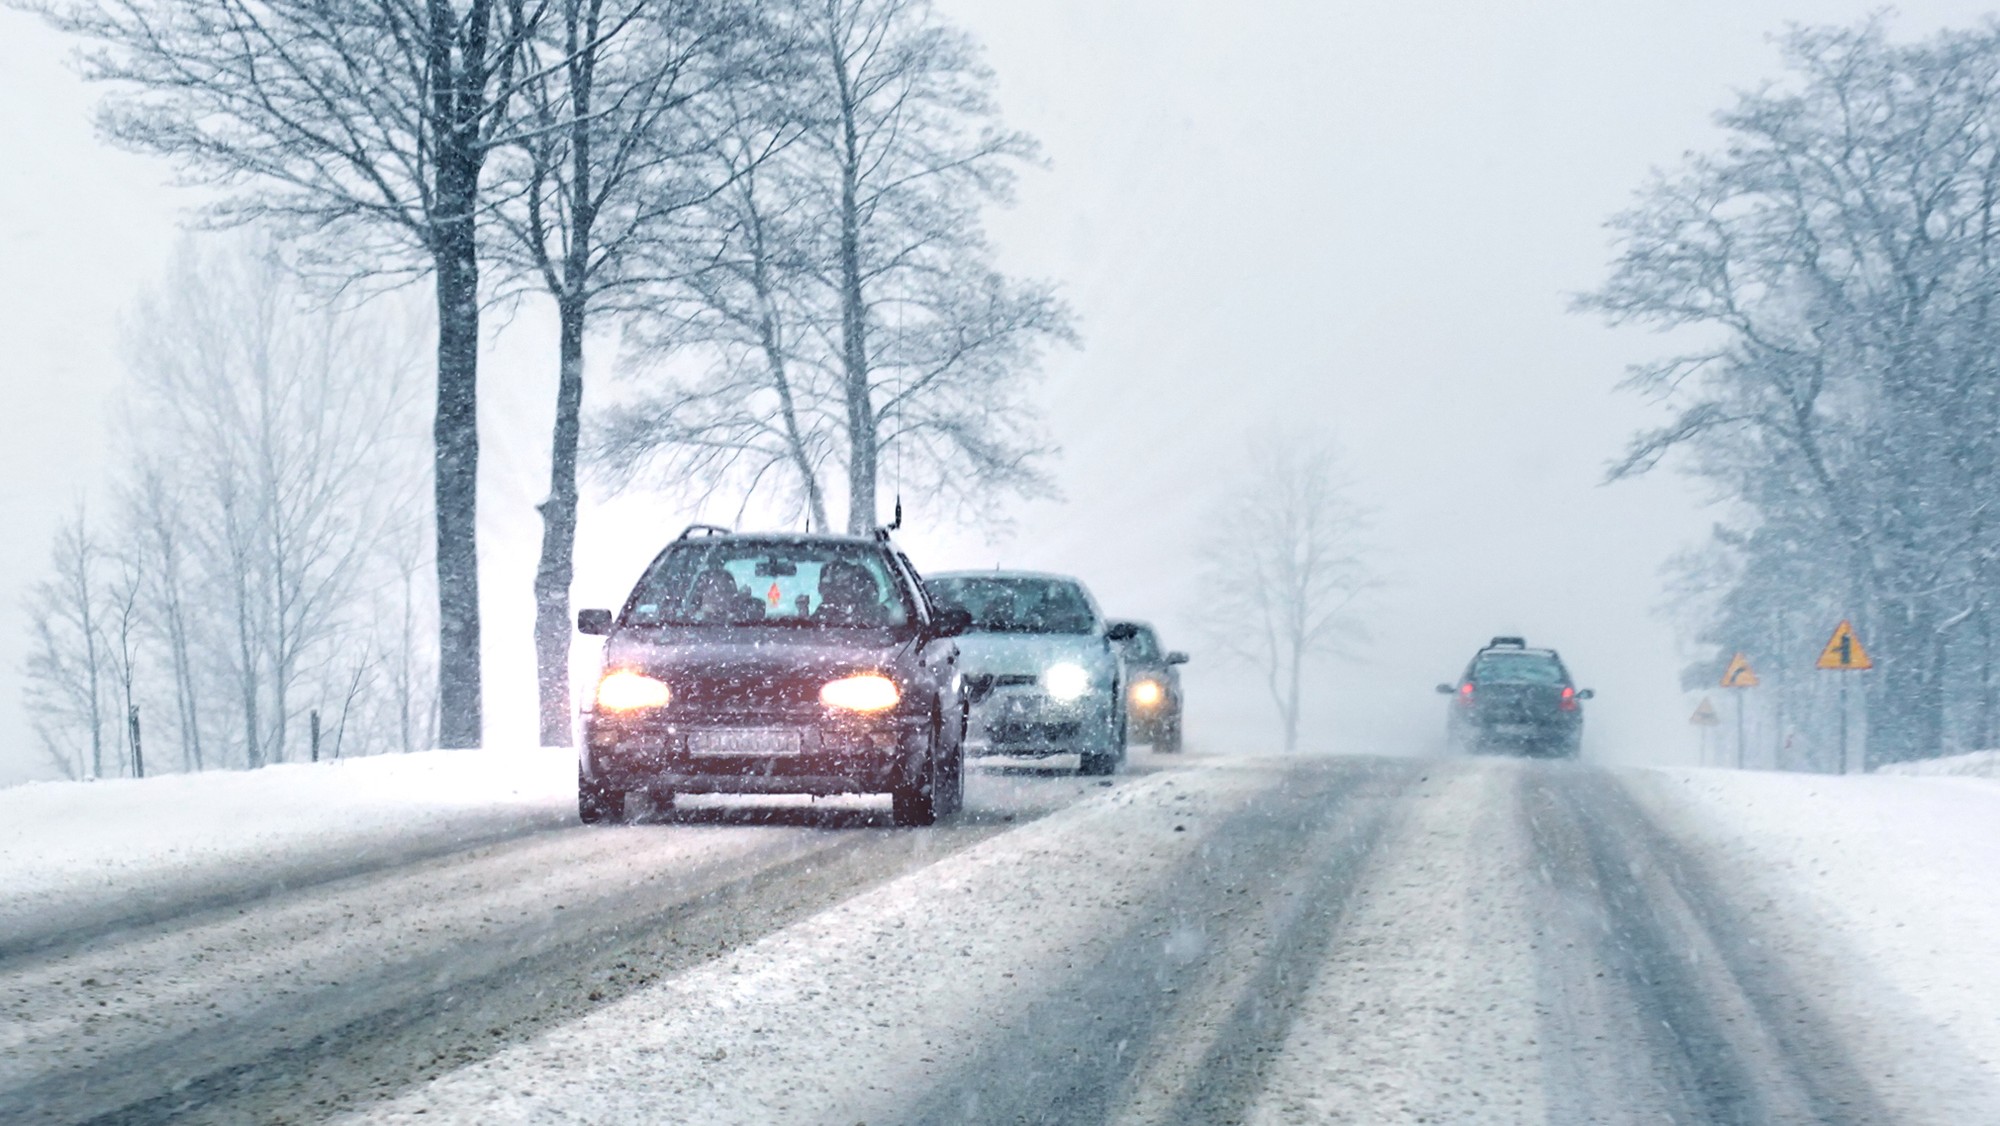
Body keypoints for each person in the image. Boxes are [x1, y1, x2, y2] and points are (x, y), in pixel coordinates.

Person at [814, 559, 884, 625]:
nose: (830, 592)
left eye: (844, 587)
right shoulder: (820, 616)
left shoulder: (877, 616)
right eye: (825, 586)